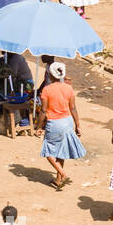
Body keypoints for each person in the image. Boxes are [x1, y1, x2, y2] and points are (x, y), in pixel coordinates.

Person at [38, 61, 85, 190]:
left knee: (48, 151)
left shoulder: (47, 90)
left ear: (50, 75)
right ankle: (58, 180)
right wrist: (78, 125)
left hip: (55, 123)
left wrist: (38, 127)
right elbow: (73, 108)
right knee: (61, 151)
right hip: (68, 121)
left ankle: (63, 174)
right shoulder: (68, 88)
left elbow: (43, 111)